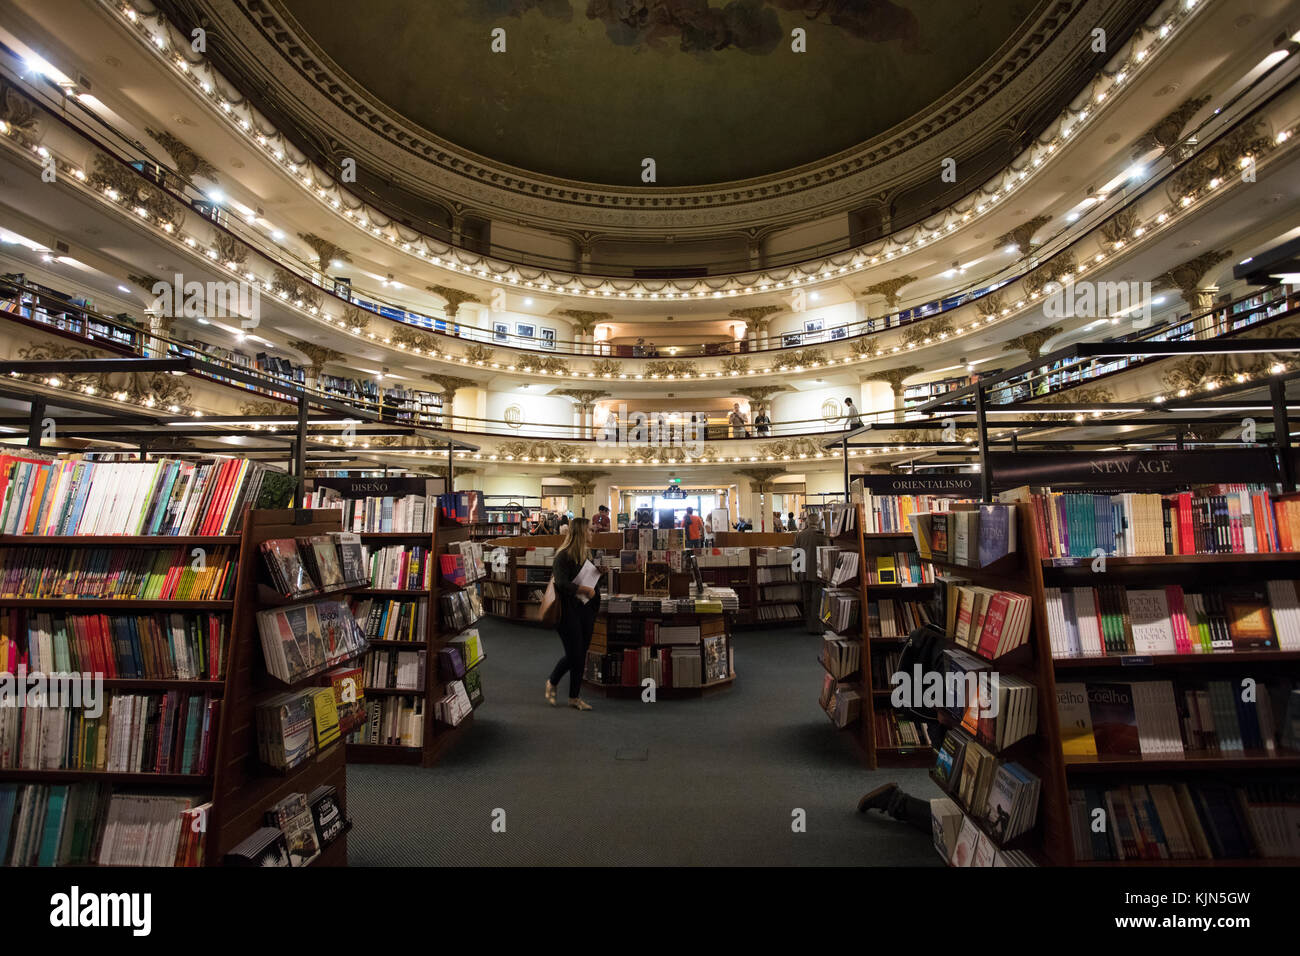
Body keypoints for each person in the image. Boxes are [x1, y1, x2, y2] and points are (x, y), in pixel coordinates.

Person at [545, 518, 600, 711]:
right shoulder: (563, 556)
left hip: (585, 611)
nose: (592, 533)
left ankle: (574, 698)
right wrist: (584, 589)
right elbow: (561, 583)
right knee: (574, 654)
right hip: (567, 612)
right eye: (589, 531)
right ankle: (552, 681)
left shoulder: (586, 555)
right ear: (581, 533)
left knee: (580, 655)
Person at [793, 512, 827, 633]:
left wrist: (796, 572)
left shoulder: (800, 535)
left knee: (807, 600)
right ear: (818, 522)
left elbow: (797, 554)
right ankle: (817, 627)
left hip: (803, 571)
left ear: (807, 521)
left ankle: (809, 626)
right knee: (817, 601)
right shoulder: (823, 535)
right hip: (818, 573)